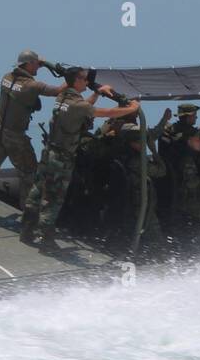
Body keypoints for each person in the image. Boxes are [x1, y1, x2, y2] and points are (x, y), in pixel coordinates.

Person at [19, 67, 140, 247]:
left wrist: (97, 93)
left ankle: (27, 230)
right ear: (76, 81)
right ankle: (47, 238)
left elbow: (84, 108)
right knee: (53, 198)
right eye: (84, 79)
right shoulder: (77, 105)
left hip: (49, 152)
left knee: (36, 192)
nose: (87, 82)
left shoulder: (63, 98)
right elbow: (104, 113)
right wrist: (131, 108)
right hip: (61, 158)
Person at [0, 50, 65, 218]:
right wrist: (69, 78)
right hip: (16, 136)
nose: (38, 66)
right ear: (30, 64)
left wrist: (39, 63)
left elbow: (22, 84)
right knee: (29, 173)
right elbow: (59, 91)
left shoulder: (6, 78)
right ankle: (28, 213)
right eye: (36, 64)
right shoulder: (32, 86)